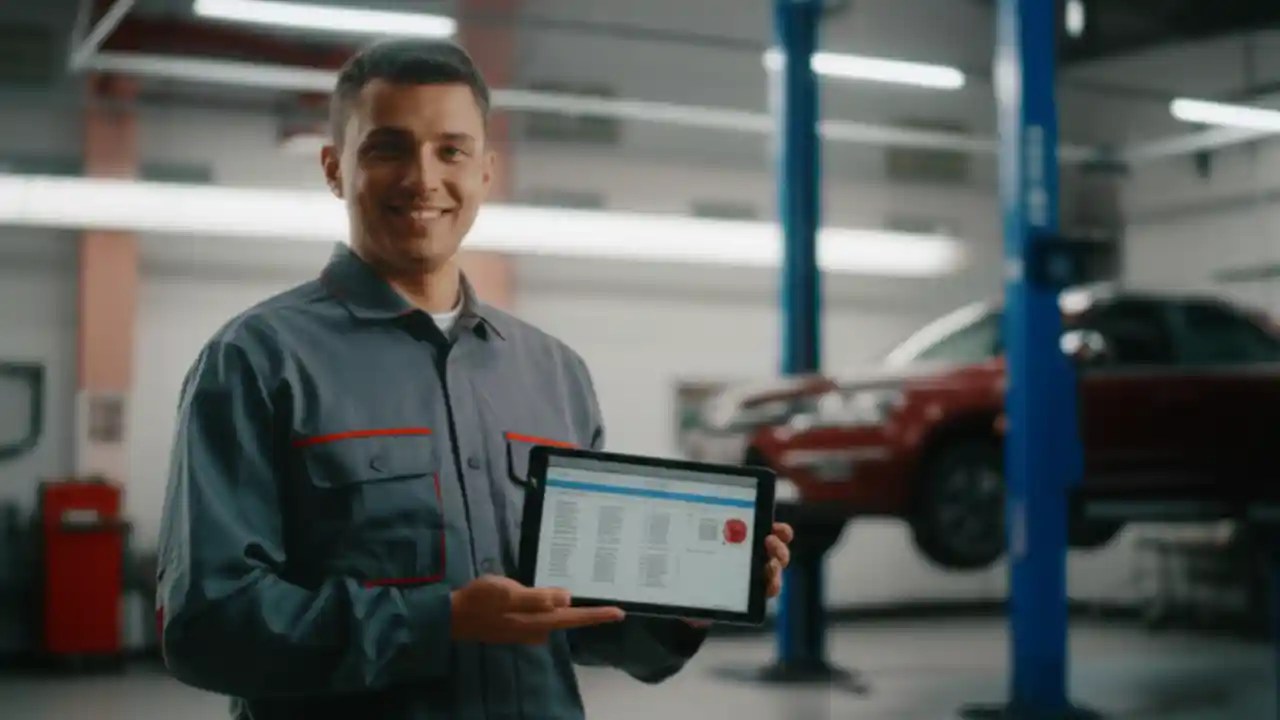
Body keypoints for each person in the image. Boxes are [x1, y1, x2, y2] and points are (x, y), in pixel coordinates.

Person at [155, 38, 793, 720]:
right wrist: (443, 621)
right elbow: (207, 625)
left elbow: (576, 620)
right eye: (388, 148)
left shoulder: (554, 373)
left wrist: (686, 603)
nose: (423, 178)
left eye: (450, 150)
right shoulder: (258, 360)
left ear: (486, 172)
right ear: (335, 169)